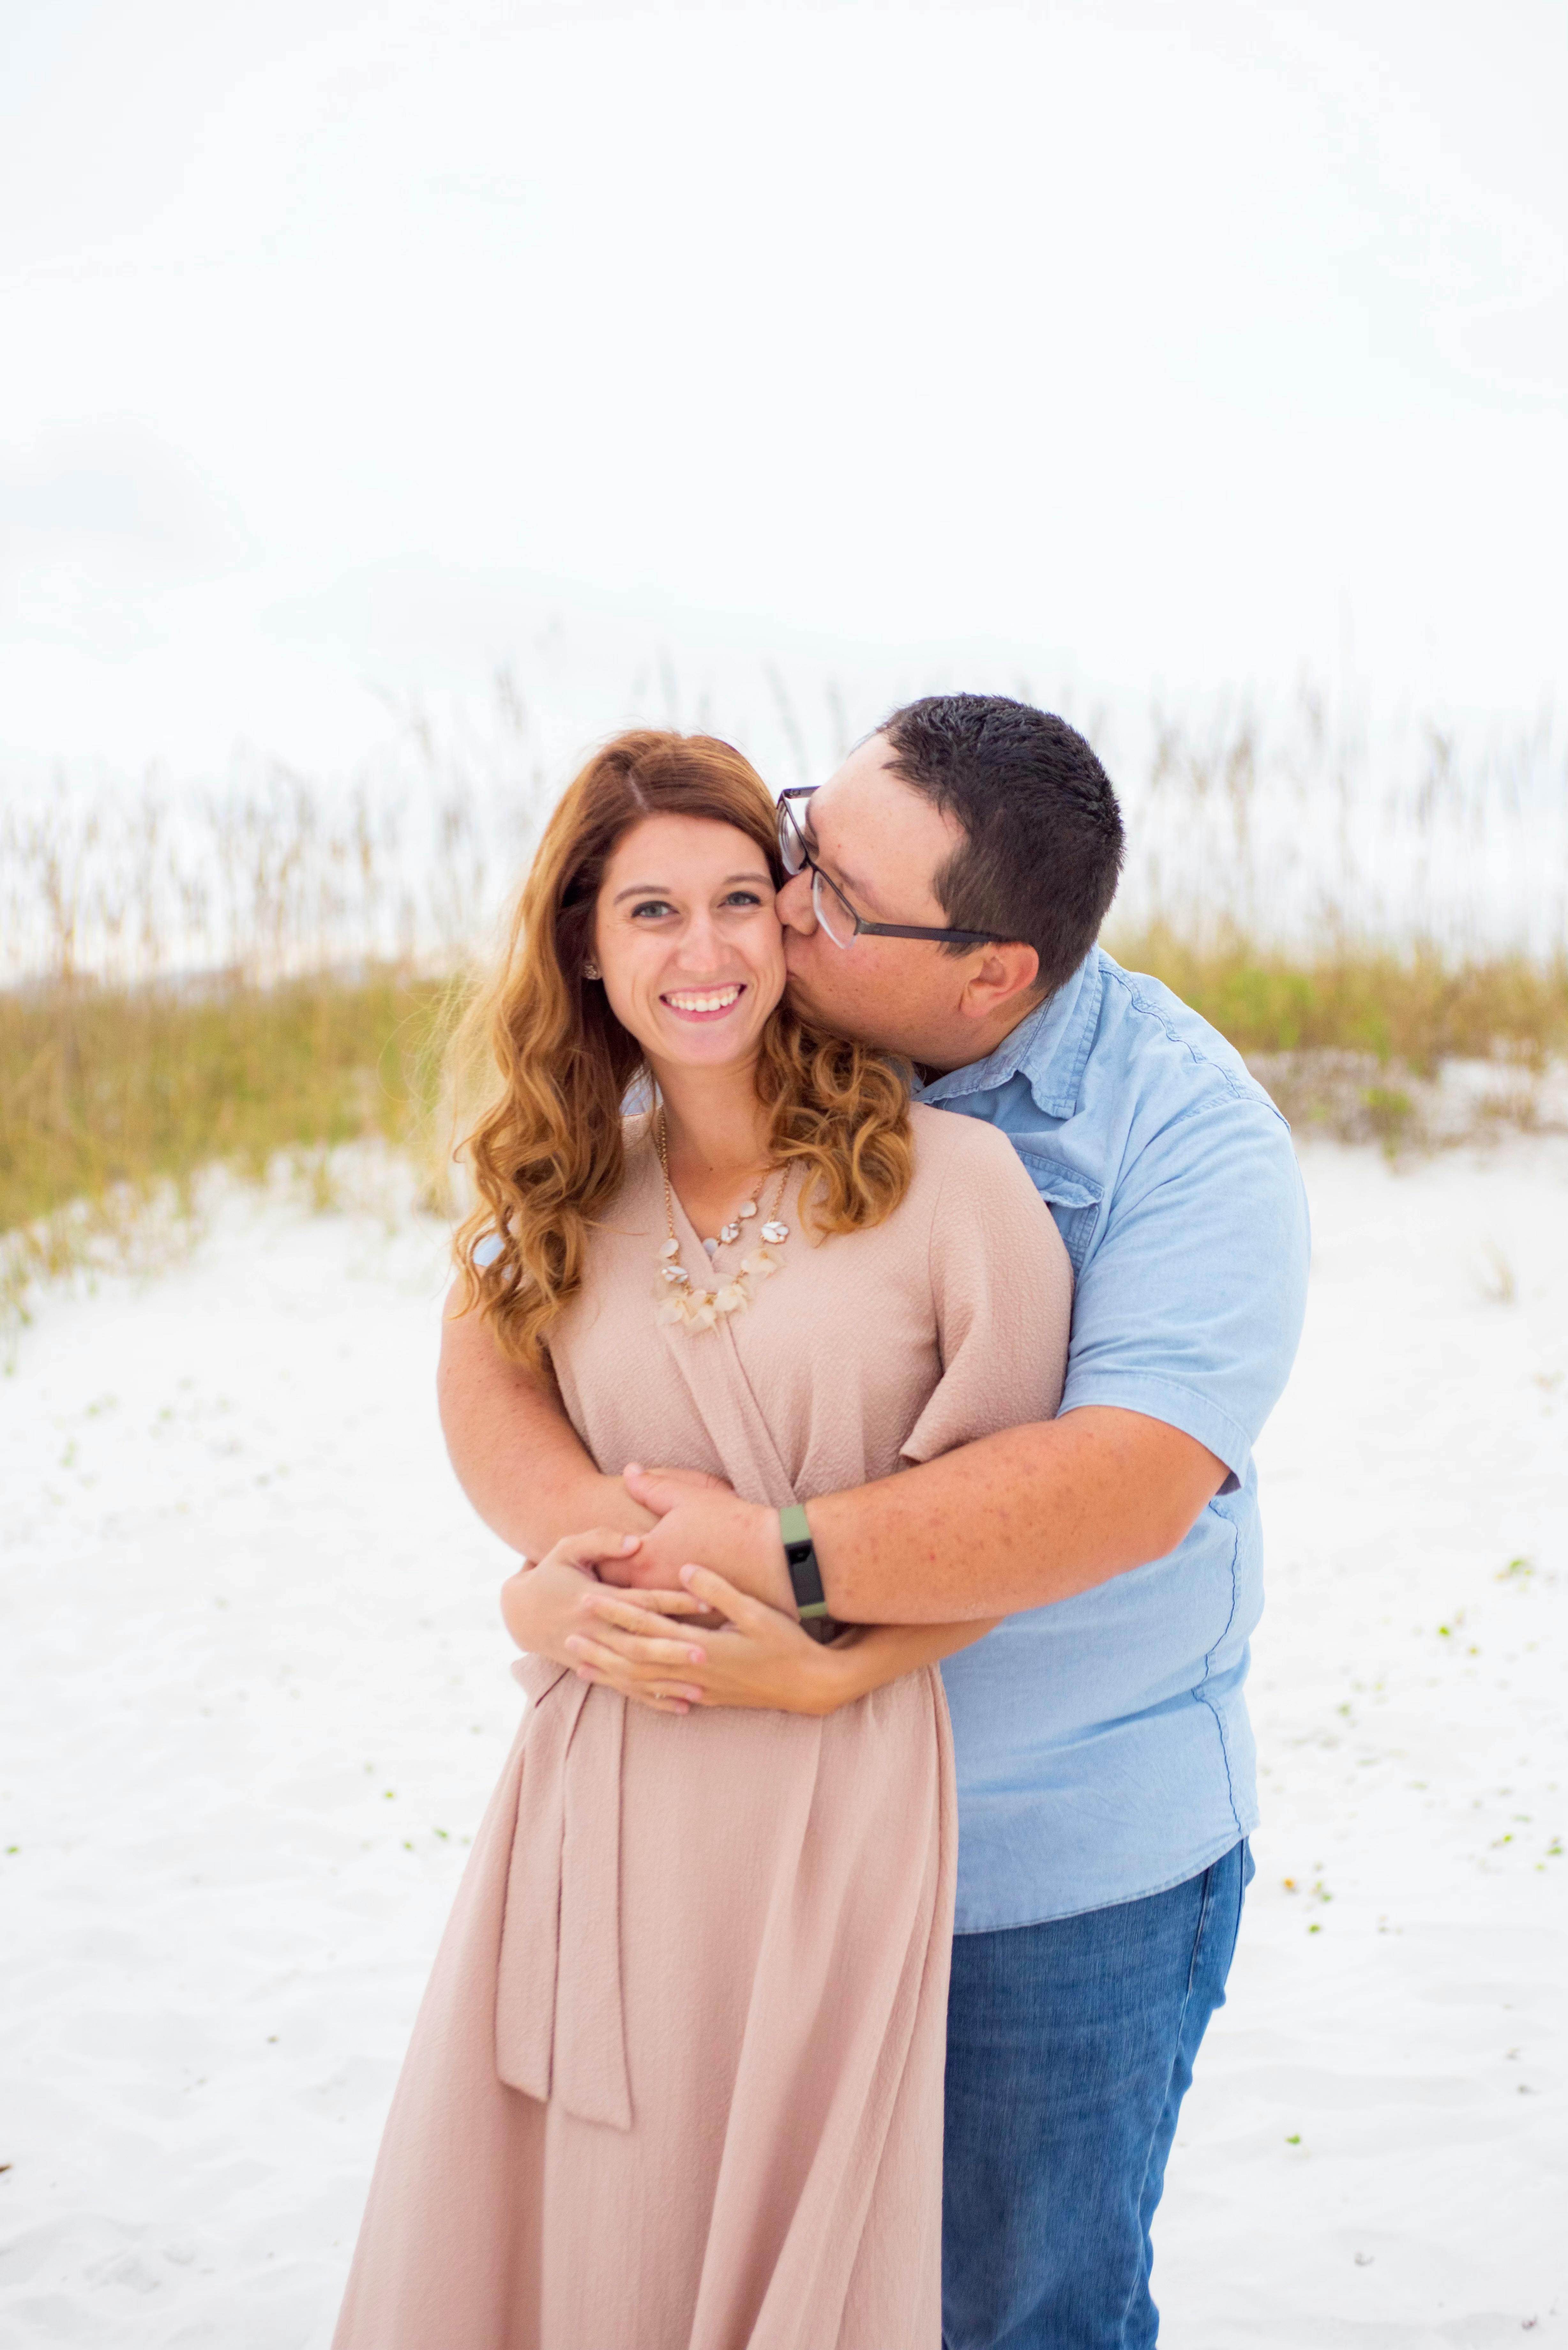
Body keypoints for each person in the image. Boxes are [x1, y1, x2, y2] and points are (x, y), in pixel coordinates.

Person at [440, 694, 1313, 2350]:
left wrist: (765, 1561)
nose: (780, 893)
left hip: (1043, 1859)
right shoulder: (735, 1044)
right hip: (734, 1843)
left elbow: (1123, 1479)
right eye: (802, 835)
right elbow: (501, 1343)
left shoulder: (1181, 1138)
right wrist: (568, 1563)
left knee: (1007, 2312)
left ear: (989, 975)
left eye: (827, 891)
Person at [333, 729, 1073, 2350]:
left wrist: (831, 1672)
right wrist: (536, 1587)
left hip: (838, 1787)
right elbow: (495, 1432)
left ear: (793, 915)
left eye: (742, 897)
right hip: (599, 1773)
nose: (706, 949)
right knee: (584, 2240)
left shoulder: (956, 1188)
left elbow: (1015, 1538)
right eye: (651, 911)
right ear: (586, 950)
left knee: (792, 2235)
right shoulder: (554, 1195)